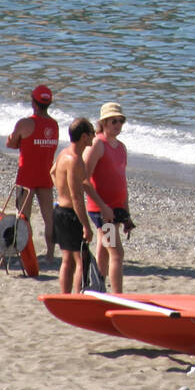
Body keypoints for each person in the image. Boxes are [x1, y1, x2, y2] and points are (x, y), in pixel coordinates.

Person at [83, 102, 135, 293]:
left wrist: (127, 214)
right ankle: (118, 295)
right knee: (117, 253)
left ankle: (98, 287)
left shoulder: (121, 147)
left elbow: (122, 182)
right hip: (102, 210)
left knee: (104, 250)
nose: (118, 125)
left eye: (121, 121)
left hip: (116, 208)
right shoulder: (97, 144)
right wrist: (103, 207)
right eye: (114, 121)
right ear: (103, 122)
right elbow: (84, 180)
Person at [6, 85, 60, 263]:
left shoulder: (24, 123)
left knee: (23, 217)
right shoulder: (54, 125)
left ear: (33, 103)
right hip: (45, 175)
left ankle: (25, 255)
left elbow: (12, 144)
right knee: (49, 218)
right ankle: (50, 255)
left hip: (27, 176)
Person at [51, 118, 95, 293]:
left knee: (67, 259)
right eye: (92, 132)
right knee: (81, 261)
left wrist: (61, 192)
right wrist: (86, 226)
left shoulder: (64, 153)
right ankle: (77, 298)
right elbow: (77, 198)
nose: (94, 135)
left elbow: (52, 172)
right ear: (84, 136)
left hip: (59, 210)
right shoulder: (75, 160)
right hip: (70, 213)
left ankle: (65, 296)